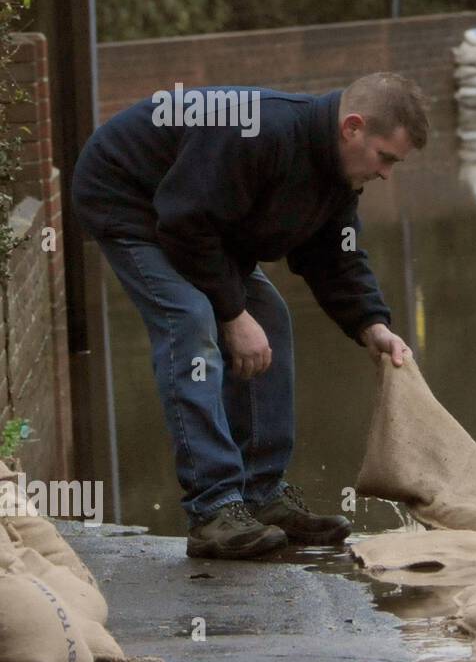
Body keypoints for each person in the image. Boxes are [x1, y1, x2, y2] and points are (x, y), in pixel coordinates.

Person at [71, 73, 428, 560]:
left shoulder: (337, 175)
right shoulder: (259, 132)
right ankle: (213, 509)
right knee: (191, 320)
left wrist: (373, 324)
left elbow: (335, 255)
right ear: (353, 127)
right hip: (133, 202)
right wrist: (232, 313)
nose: (386, 173)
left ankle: (261, 495)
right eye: (386, 157)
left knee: (271, 321)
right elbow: (185, 221)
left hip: (201, 224)